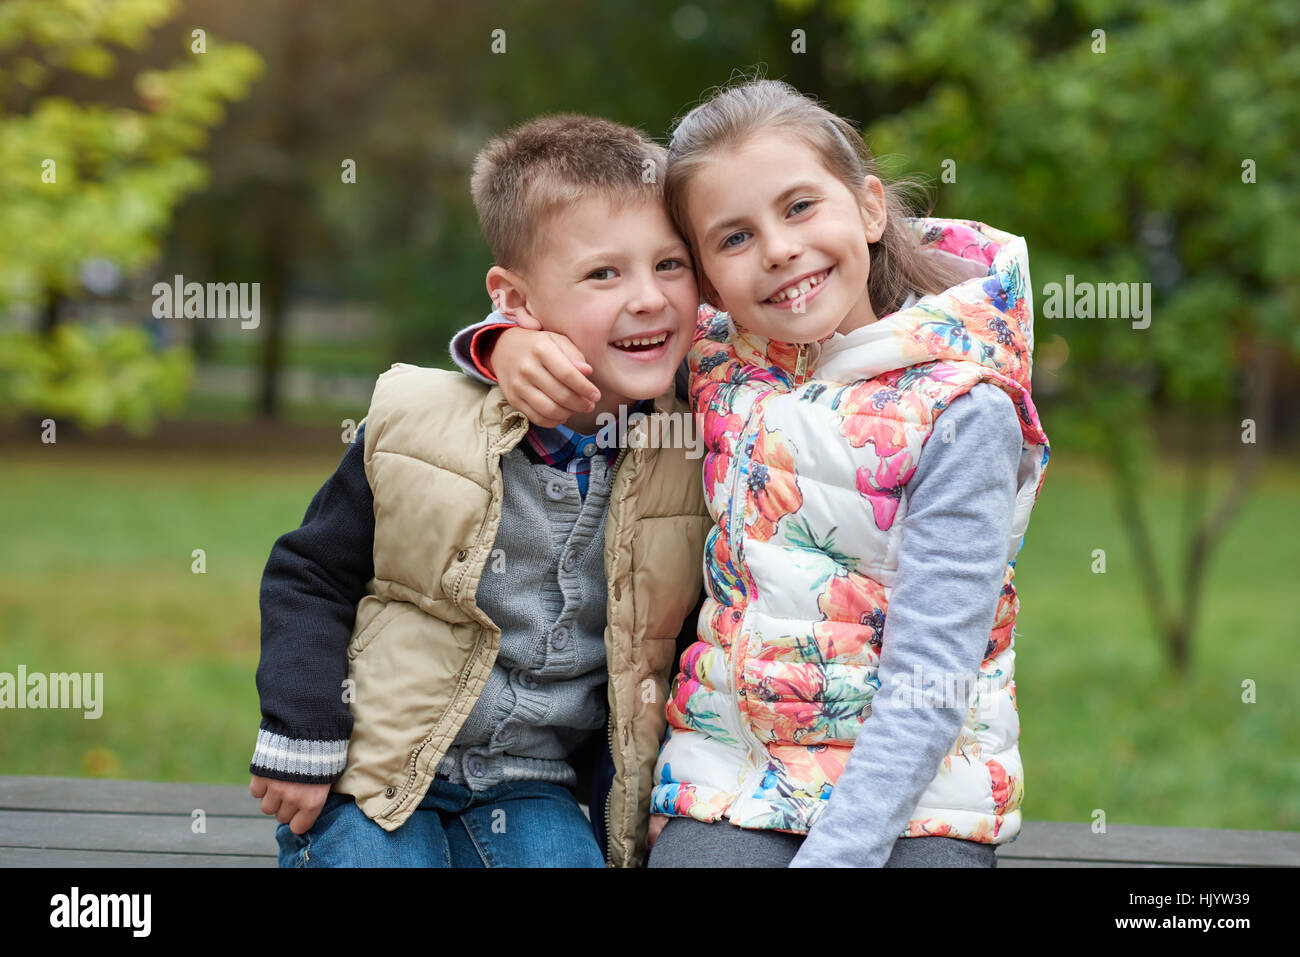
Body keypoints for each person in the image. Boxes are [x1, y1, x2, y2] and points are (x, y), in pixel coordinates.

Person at [450, 78, 1052, 867]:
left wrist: (838, 852)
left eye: (800, 207)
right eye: (733, 238)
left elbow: (931, 676)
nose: (776, 249)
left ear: (870, 208)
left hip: (923, 787)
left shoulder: (963, 410)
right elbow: (587, 319)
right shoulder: (714, 357)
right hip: (737, 773)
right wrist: (506, 342)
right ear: (704, 277)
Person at [248, 113, 712, 867]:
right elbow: (310, 572)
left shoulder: (692, 441)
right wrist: (301, 731)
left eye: (670, 264)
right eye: (604, 272)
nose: (650, 297)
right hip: (377, 770)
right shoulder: (420, 425)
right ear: (515, 300)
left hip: (532, 784)